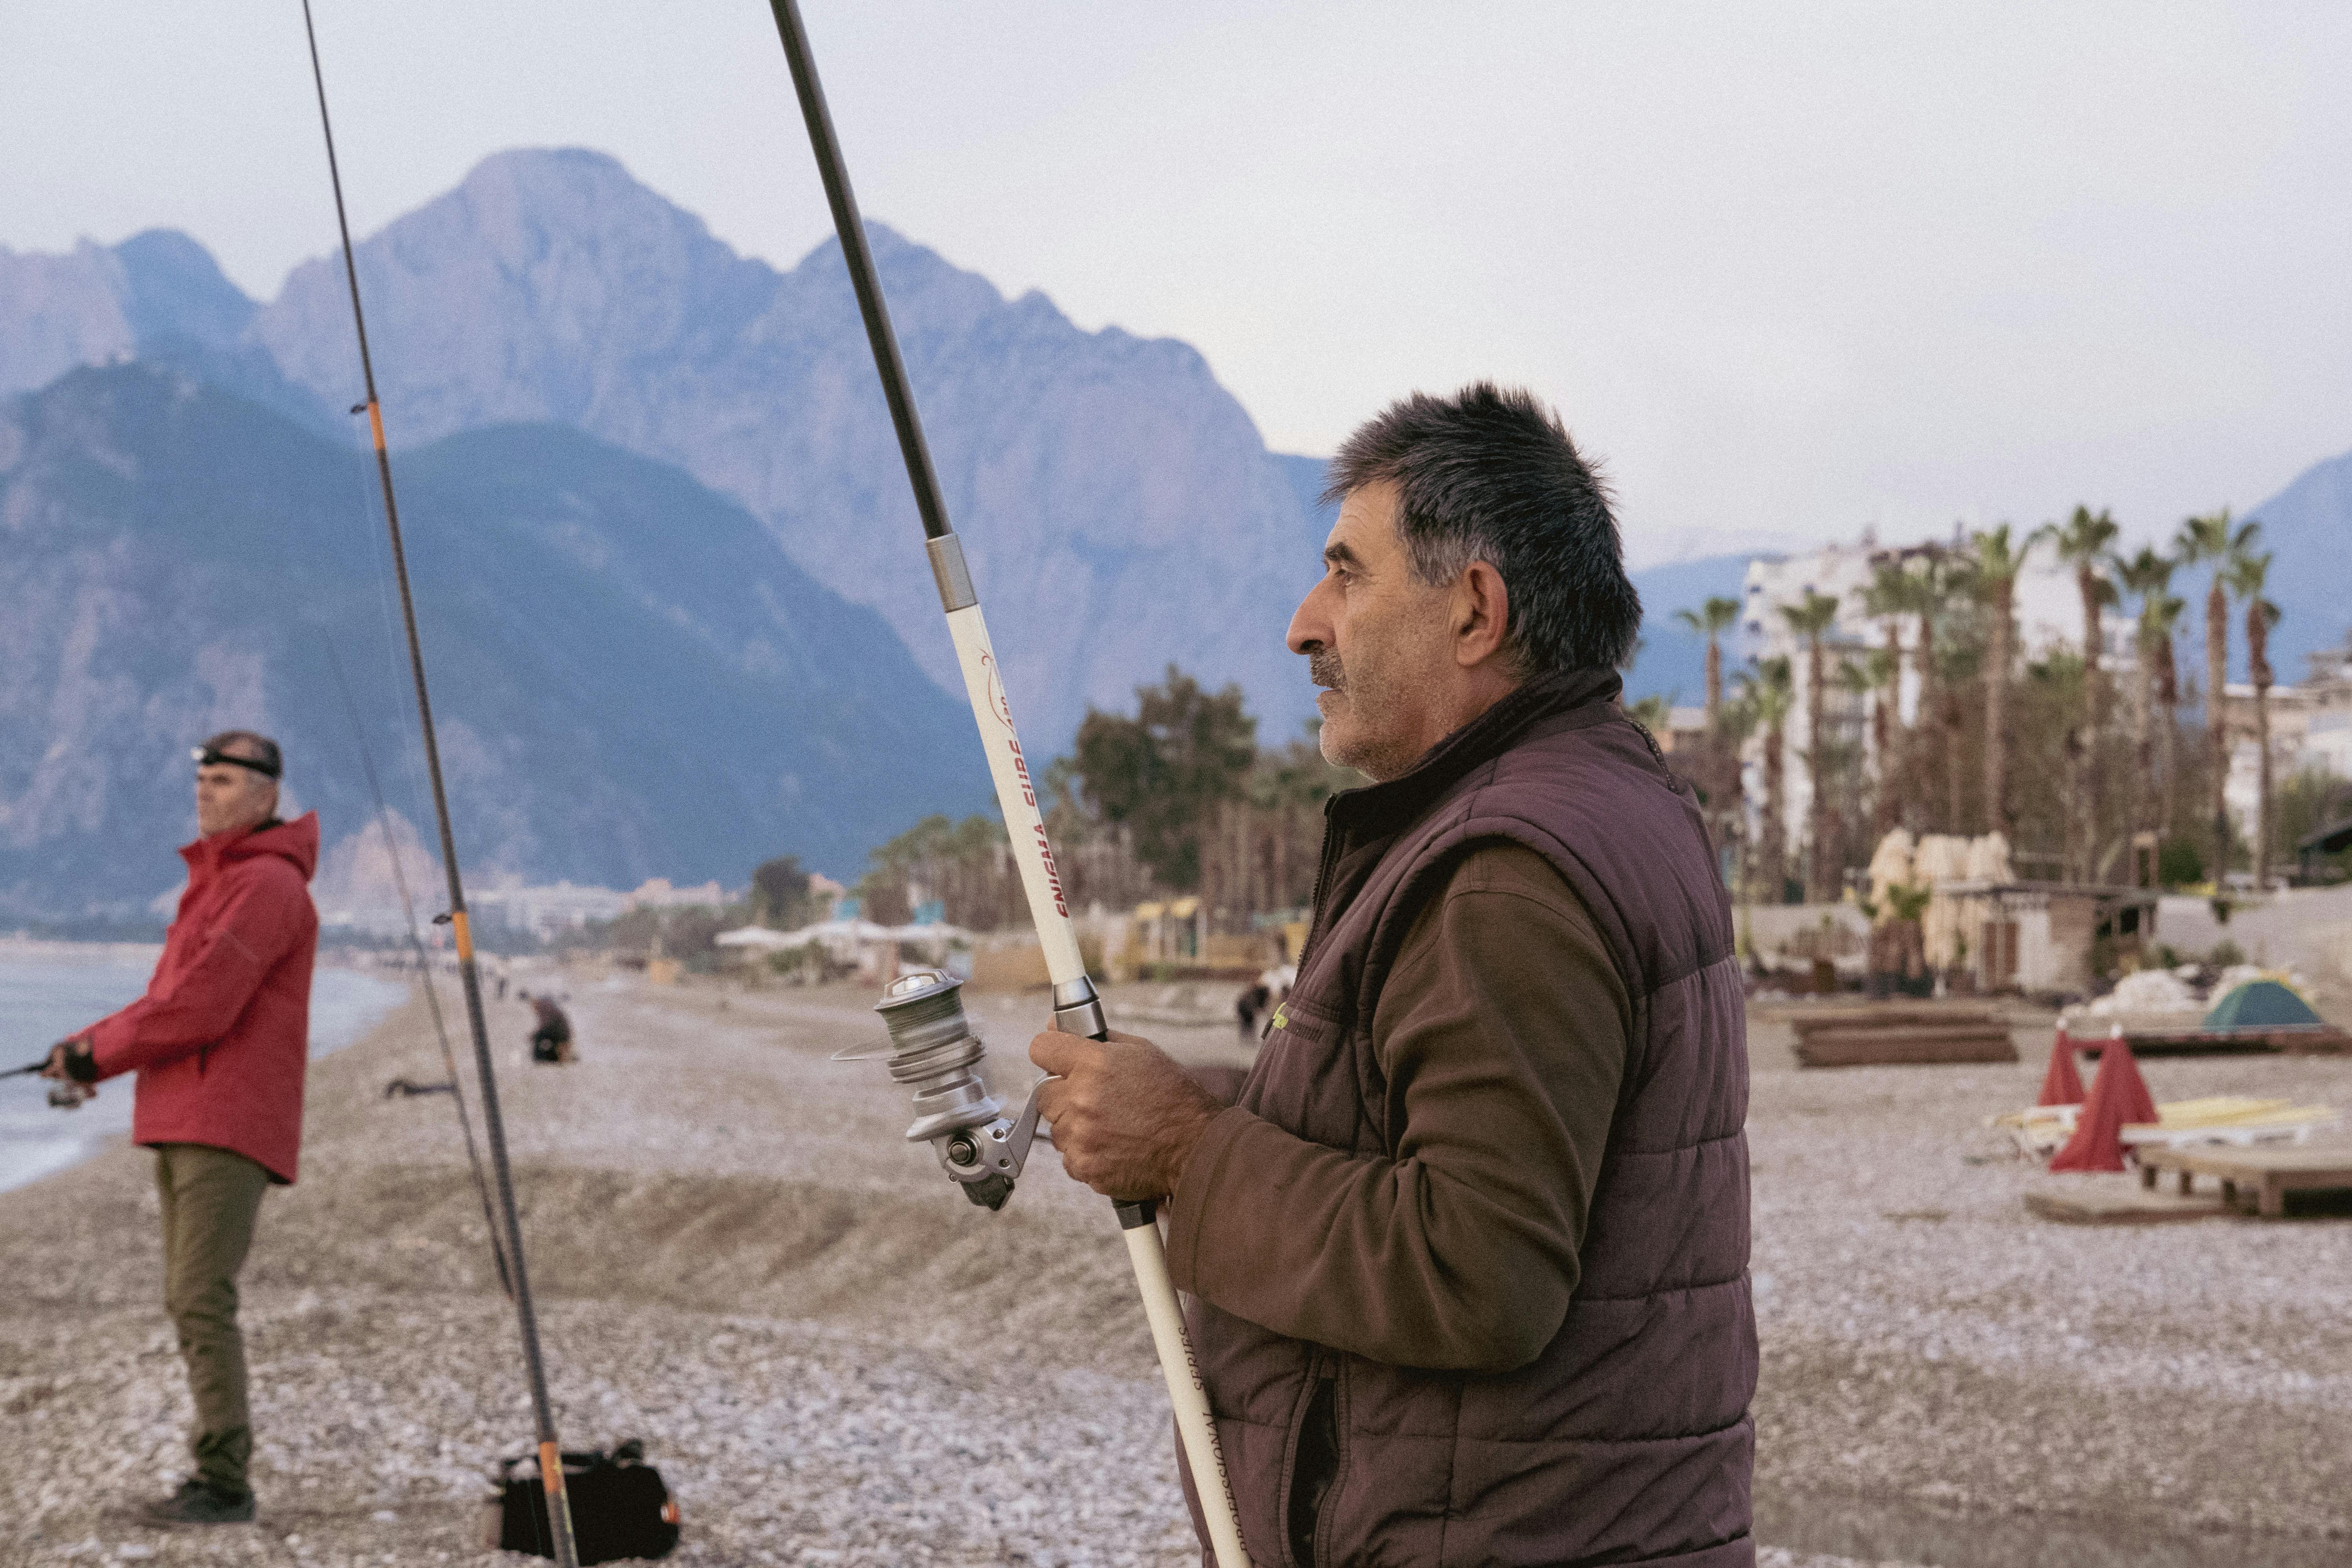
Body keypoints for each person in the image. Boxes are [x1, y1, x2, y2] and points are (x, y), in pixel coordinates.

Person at [1032, 384, 1755, 1566]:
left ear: (1474, 609)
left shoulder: (1503, 870)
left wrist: (1183, 1156)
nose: (1303, 625)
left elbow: (1477, 1267)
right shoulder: (1598, 804)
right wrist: (1214, 1101)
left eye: (1347, 574)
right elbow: (1438, 1120)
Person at [42, 731, 321, 1526]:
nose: (206, 791)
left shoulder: (266, 886)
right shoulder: (221, 882)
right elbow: (164, 1000)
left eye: (225, 780)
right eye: (202, 779)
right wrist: (85, 1052)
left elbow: (201, 1006)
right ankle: (217, 1469)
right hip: (186, 1111)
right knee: (188, 1294)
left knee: (200, 1296)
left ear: (268, 796)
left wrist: (99, 1056)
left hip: (223, 1118)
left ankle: (225, 1481)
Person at [526, 994, 574, 1064]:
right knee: (540, 1037)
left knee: (539, 1037)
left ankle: (540, 1060)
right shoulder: (548, 1008)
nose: (532, 1009)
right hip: (559, 1035)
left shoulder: (546, 1009)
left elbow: (545, 1026)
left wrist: (533, 1036)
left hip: (560, 1036)